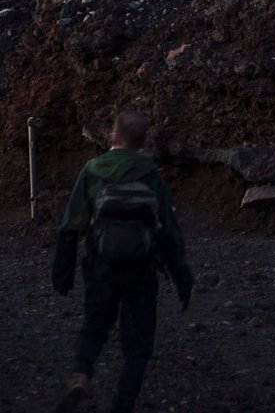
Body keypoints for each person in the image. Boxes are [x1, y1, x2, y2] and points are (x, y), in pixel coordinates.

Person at [52, 110, 193, 413]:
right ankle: (123, 404)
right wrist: (182, 278)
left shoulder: (92, 170)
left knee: (94, 328)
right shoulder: (151, 175)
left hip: (101, 267)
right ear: (143, 141)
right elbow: (170, 231)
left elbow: (70, 226)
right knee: (137, 345)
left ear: (112, 135)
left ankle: (81, 374)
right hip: (141, 271)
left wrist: (62, 274)